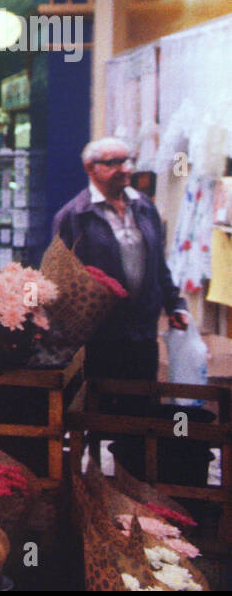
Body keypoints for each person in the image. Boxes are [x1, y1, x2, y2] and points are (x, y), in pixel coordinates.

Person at [50, 137, 188, 411]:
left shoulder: (144, 207)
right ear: (90, 168)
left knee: (143, 404)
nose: (125, 169)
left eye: (128, 161)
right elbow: (57, 279)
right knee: (101, 408)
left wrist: (176, 305)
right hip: (101, 335)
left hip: (143, 330)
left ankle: (136, 440)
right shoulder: (74, 215)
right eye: (114, 162)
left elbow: (159, 265)